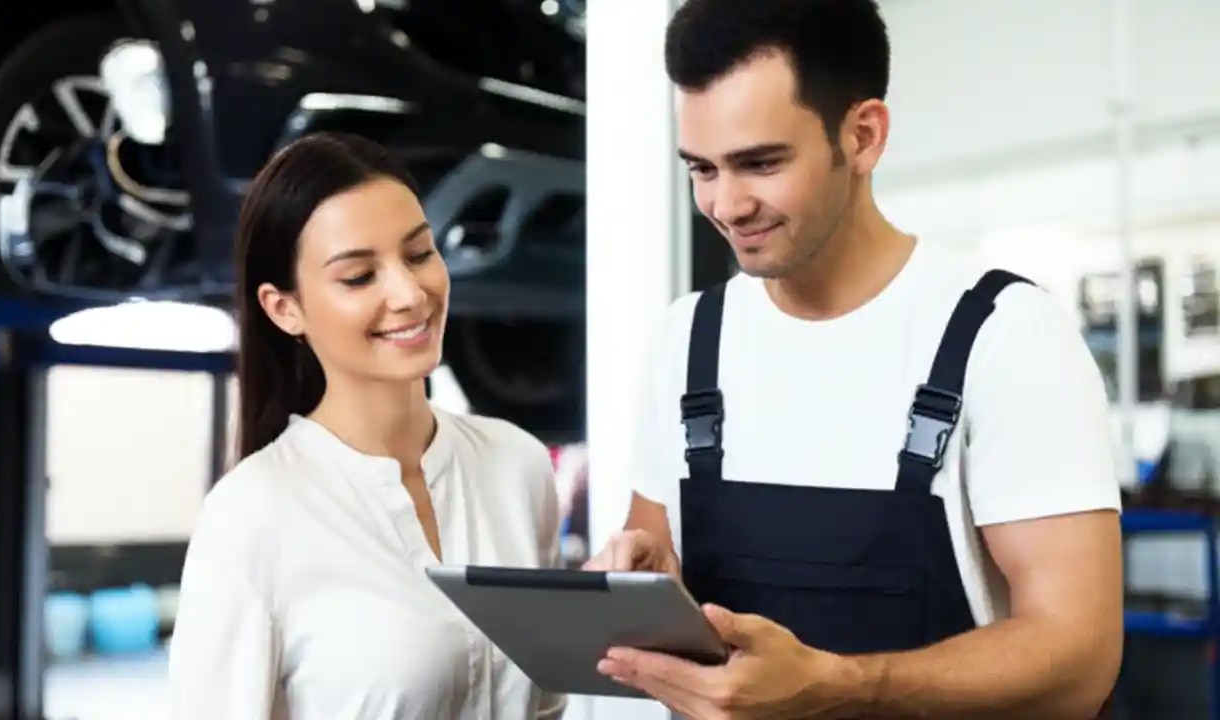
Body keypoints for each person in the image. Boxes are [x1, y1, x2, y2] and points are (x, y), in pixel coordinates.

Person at [586, 1, 1124, 718]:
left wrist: (838, 685)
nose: (726, 203)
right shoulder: (688, 341)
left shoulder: (1003, 337)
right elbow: (662, 568)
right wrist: (649, 589)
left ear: (863, 137)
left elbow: (1080, 655)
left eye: (761, 163)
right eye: (701, 169)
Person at [166, 132, 566, 720]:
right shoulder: (252, 514)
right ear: (285, 308)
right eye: (359, 277)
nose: (409, 294)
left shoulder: (517, 465)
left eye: (420, 253)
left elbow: (542, 706)